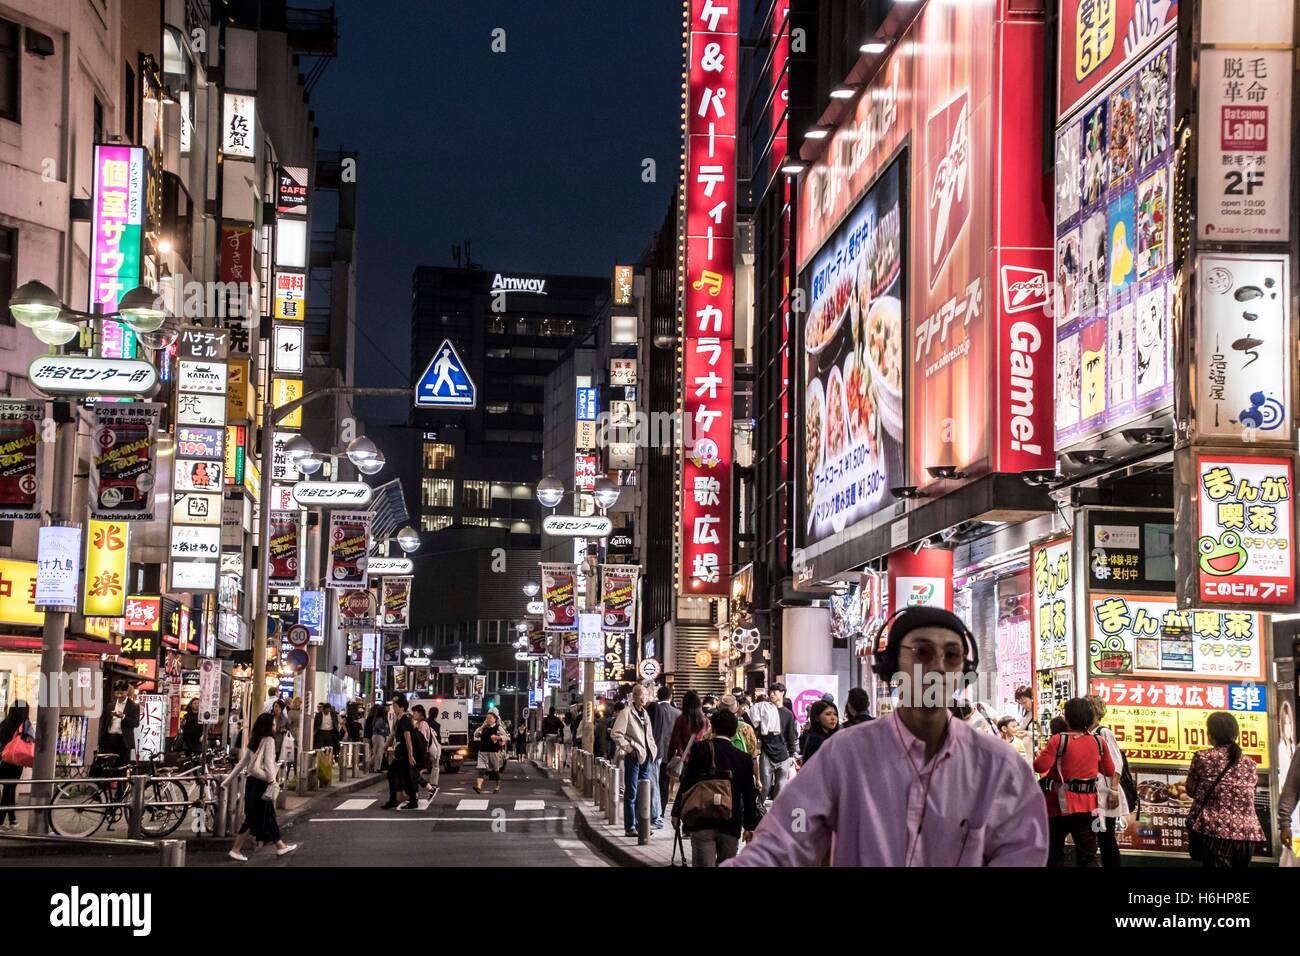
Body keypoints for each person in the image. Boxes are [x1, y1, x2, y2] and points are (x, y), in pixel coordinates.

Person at [726, 607, 1049, 867]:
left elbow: (1023, 852)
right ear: (891, 665)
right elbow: (784, 840)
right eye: (922, 652)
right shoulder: (845, 755)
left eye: (952, 656)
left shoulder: (999, 767)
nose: (937, 667)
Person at [672, 709, 760, 866]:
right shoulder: (744, 758)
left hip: (701, 818)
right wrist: (750, 826)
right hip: (731, 821)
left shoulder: (700, 749)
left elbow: (687, 782)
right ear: (734, 731)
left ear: (713, 727)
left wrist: (676, 812)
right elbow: (749, 795)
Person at [1033, 697, 1115, 867]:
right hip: (1089, 808)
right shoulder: (1098, 741)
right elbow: (1109, 771)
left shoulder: (1058, 740)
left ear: (1067, 718)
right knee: (1088, 856)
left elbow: (1040, 767)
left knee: (1053, 854)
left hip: (1058, 807)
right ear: (1090, 717)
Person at [1185, 711, 1264, 868]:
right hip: (1247, 834)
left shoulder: (1203, 757)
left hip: (1216, 832)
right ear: (1236, 734)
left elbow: (1191, 790)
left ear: (1211, 734)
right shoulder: (1250, 763)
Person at [228, 713, 297, 861]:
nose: (275, 726)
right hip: (262, 783)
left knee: (268, 815)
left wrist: (227, 781)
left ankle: (280, 846)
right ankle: (235, 849)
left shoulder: (254, 740)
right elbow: (268, 764)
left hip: (252, 782)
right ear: (268, 726)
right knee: (254, 817)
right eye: (273, 723)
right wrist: (273, 781)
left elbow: (241, 764)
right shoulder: (269, 740)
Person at [611, 684, 659, 837]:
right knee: (631, 792)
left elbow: (649, 735)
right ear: (634, 696)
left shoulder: (645, 713)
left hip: (647, 757)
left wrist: (654, 750)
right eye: (641, 695)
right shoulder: (626, 713)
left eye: (646, 695)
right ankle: (630, 826)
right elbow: (616, 734)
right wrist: (630, 749)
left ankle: (642, 824)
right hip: (634, 757)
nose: (644, 698)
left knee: (644, 792)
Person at [1085, 694, 1127, 868]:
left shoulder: (1103, 732)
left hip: (1107, 792)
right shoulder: (1089, 733)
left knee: (1106, 837)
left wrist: (1114, 790)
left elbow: (1117, 763)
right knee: (1100, 836)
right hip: (1097, 794)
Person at [749, 683, 799, 804]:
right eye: (770, 692)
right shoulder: (764, 709)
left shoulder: (788, 714)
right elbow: (755, 726)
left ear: (782, 693)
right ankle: (758, 808)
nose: (771, 694)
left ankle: (776, 813)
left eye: (775, 692)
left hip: (783, 755)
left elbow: (791, 736)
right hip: (767, 752)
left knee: (780, 787)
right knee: (764, 786)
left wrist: (792, 755)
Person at [647, 686, 680, 821]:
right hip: (670, 753)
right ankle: (661, 810)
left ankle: (654, 810)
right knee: (665, 782)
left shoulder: (652, 710)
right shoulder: (677, 713)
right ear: (670, 697)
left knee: (653, 781)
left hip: (654, 751)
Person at [381, 695, 419, 810]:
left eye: (395, 706)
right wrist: (387, 745)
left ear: (402, 708)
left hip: (404, 754)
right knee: (403, 777)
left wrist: (410, 755)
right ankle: (410, 800)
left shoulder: (404, 720)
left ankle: (398, 800)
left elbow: (408, 738)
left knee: (394, 775)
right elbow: (394, 735)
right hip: (401, 753)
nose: (394, 708)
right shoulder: (399, 719)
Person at [0, 701, 30, 831]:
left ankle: (12, 820)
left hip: (1, 762)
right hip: (15, 763)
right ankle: (2, 822)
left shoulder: (3, 724)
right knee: (9, 790)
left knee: (8, 791)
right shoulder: (23, 727)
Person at [100, 681, 139, 765]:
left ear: (126, 692)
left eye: (122, 691)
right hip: (110, 738)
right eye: (117, 691)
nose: (119, 693)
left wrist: (123, 717)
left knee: (122, 765)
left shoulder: (133, 706)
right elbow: (104, 723)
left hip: (123, 740)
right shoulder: (110, 705)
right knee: (108, 765)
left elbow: (136, 723)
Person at [474, 712, 509, 794]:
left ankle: (497, 786)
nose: (488, 720)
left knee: (495, 770)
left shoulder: (498, 728)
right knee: (481, 769)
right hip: (482, 751)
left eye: (490, 718)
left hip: (493, 752)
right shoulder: (484, 728)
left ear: (495, 720)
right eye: (487, 718)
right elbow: (476, 735)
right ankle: (478, 787)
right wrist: (482, 727)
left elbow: (507, 737)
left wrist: (498, 737)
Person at [411, 704, 440, 798]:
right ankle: (417, 795)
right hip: (419, 753)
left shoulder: (423, 724)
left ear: (420, 713)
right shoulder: (419, 723)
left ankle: (429, 789)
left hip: (420, 753)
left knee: (413, 774)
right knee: (414, 774)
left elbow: (422, 740)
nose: (413, 715)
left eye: (414, 713)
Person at [798, 700, 838, 766]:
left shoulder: (827, 737)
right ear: (817, 717)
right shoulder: (817, 740)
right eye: (828, 714)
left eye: (835, 714)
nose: (833, 718)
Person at [364, 704, 389, 773]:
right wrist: (383, 731)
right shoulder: (380, 719)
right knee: (379, 753)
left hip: (374, 736)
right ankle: (376, 767)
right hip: (379, 736)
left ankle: (370, 766)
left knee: (375, 753)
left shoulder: (375, 718)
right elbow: (378, 727)